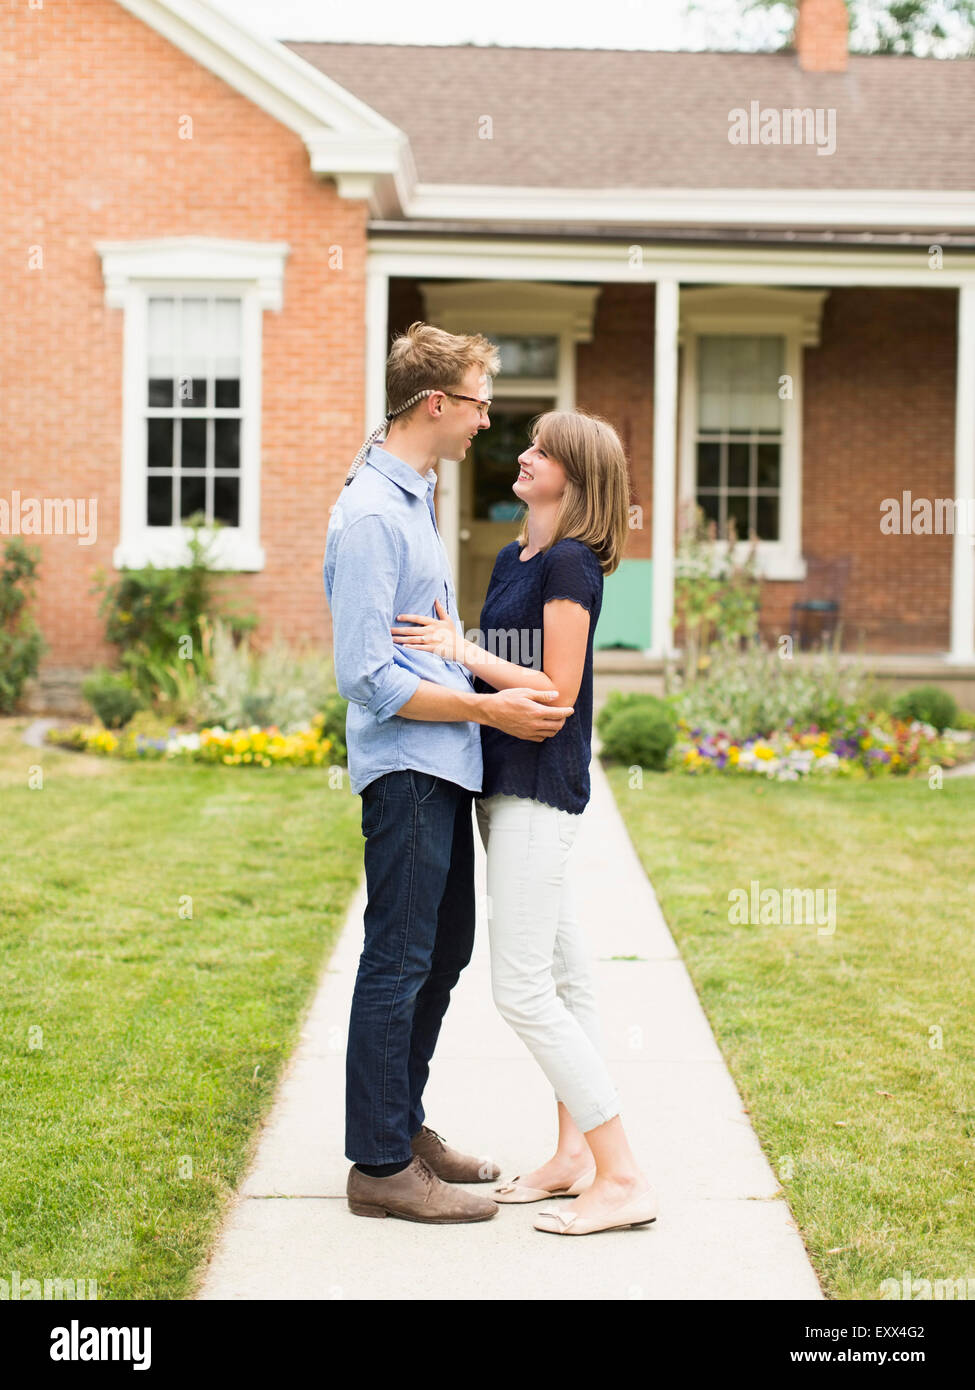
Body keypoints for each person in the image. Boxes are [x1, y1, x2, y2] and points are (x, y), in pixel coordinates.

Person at [323, 322, 574, 1224]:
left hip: (443, 766)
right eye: (476, 402)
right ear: (436, 404)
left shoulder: (414, 496)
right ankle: (381, 1165)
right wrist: (488, 706)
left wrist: (476, 674)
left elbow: (422, 646)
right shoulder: (370, 516)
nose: (485, 420)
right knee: (398, 957)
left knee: (445, 949)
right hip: (408, 771)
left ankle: (401, 1122)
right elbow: (366, 676)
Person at [390, 409, 659, 1236]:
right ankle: (572, 1158)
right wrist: (459, 653)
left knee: (521, 987)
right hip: (501, 784)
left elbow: (555, 690)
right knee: (568, 976)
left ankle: (621, 1176)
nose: (523, 453)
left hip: (539, 789)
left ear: (572, 476)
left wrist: (460, 651)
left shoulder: (572, 564)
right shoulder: (516, 555)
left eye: (541, 450)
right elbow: (504, 674)